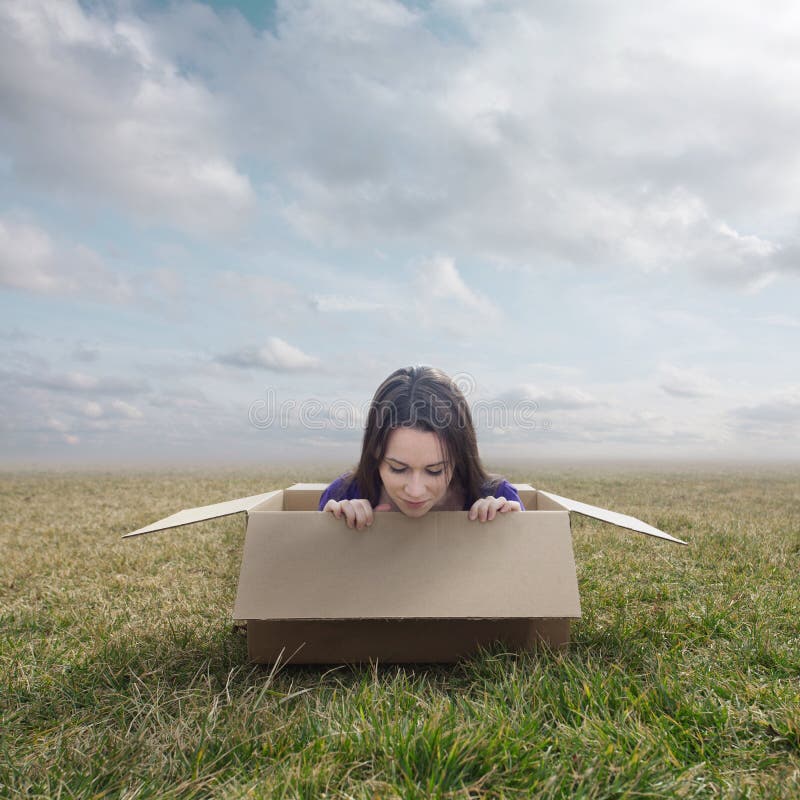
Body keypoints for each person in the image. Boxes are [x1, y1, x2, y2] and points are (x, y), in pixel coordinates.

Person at [319, 365, 524, 529]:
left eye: (435, 470)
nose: (415, 491)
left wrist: (511, 527)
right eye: (398, 468)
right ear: (375, 453)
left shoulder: (499, 497)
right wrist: (333, 530)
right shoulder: (343, 494)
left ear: (459, 457)